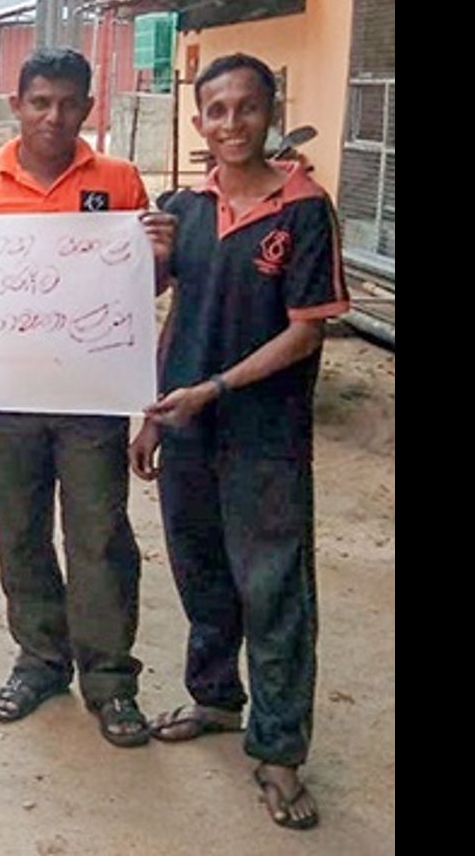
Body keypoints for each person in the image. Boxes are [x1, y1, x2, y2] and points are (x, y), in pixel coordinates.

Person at [131, 53, 348, 831]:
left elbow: (304, 334)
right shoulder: (184, 208)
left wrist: (214, 388)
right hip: (187, 425)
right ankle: (216, 699)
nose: (231, 125)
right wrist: (155, 412)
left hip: (263, 434)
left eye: (245, 109)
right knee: (203, 572)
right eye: (215, 111)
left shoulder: (304, 209)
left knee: (275, 588)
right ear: (198, 123)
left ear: (270, 112)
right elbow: (167, 310)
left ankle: (281, 752)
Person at [0, 48, 175, 748]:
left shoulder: (120, 181)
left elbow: (142, 293)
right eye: (40, 101)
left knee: (99, 537)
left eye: (69, 103)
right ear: (16, 105)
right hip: (7, 398)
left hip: (92, 399)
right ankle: (41, 660)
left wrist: (157, 257)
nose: (54, 116)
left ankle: (109, 681)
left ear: (88, 107)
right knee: (18, 533)